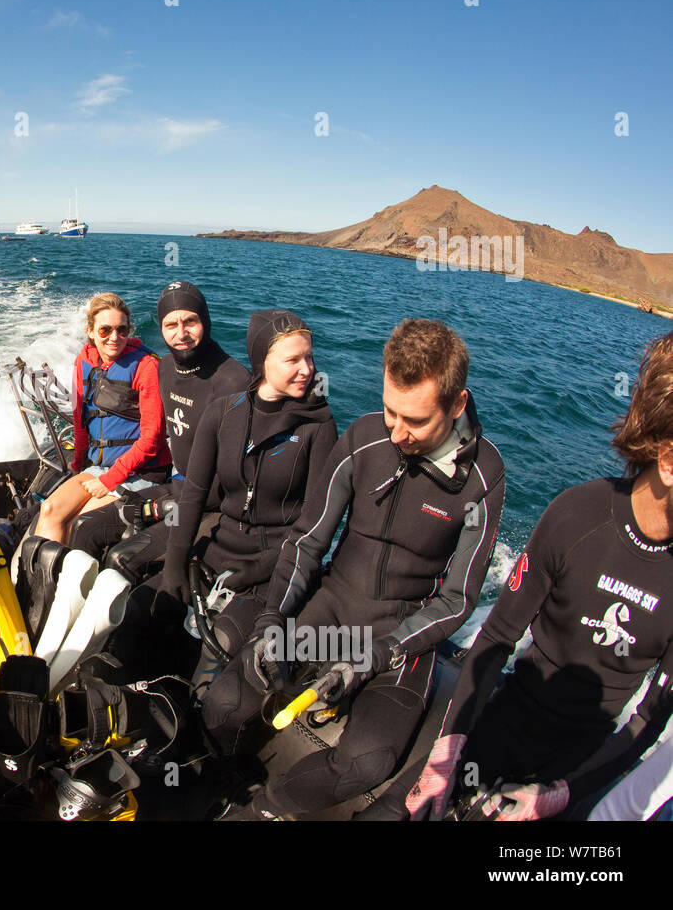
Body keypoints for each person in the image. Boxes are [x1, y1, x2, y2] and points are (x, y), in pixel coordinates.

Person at [216, 319, 506, 820]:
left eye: (414, 420)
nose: (397, 432)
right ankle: (217, 780)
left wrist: (376, 656)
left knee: (367, 762)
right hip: (334, 606)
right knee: (227, 700)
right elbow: (308, 543)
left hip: (401, 638)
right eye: (390, 410)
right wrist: (271, 624)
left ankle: (263, 811)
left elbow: (458, 599)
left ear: (457, 405)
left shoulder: (484, 476)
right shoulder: (365, 438)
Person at [399, 330, 673, 823]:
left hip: (586, 763)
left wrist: (563, 794)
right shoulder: (578, 516)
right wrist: (448, 752)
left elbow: (651, 716)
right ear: (669, 459)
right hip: (510, 716)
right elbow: (499, 635)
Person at [157, 310, 337, 680]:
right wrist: (175, 563)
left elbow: (316, 526)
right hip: (220, 545)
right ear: (262, 362)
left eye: (310, 357)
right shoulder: (224, 413)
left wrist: (256, 570)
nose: (308, 369)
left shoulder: (319, 425)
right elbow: (193, 495)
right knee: (148, 616)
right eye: (293, 359)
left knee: (212, 657)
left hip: (274, 565)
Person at [68, 281, 251, 572]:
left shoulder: (234, 381)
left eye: (190, 321)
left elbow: (154, 438)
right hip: (178, 485)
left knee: (118, 559)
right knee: (82, 528)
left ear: (205, 320)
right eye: (170, 324)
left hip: (209, 500)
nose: (181, 333)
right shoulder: (165, 367)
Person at [33, 292, 170, 544]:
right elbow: (80, 420)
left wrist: (109, 480)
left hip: (141, 474)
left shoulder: (145, 367)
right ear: (91, 331)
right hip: (99, 467)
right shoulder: (82, 362)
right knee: (50, 510)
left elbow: (152, 439)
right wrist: (78, 462)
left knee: (80, 524)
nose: (114, 338)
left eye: (122, 330)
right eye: (105, 330)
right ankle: (39, 580)